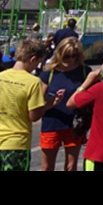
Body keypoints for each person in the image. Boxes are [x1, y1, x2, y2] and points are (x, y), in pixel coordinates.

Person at [0, 38, 64, 171]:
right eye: (38, 62)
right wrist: (50, 104)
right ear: (33, 59)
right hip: (16, 143)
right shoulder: (33, 82)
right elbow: (34, 116)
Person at [39, 37, 91, 171]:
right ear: (59, 54)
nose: (71, 60)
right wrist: (52, 101)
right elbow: (38, 101)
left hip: (74, 123)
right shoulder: (49, 73)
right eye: (67, 56)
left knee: (71, 166)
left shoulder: (85, 71)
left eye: (75, 55)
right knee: (46, 167)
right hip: (52, 121)